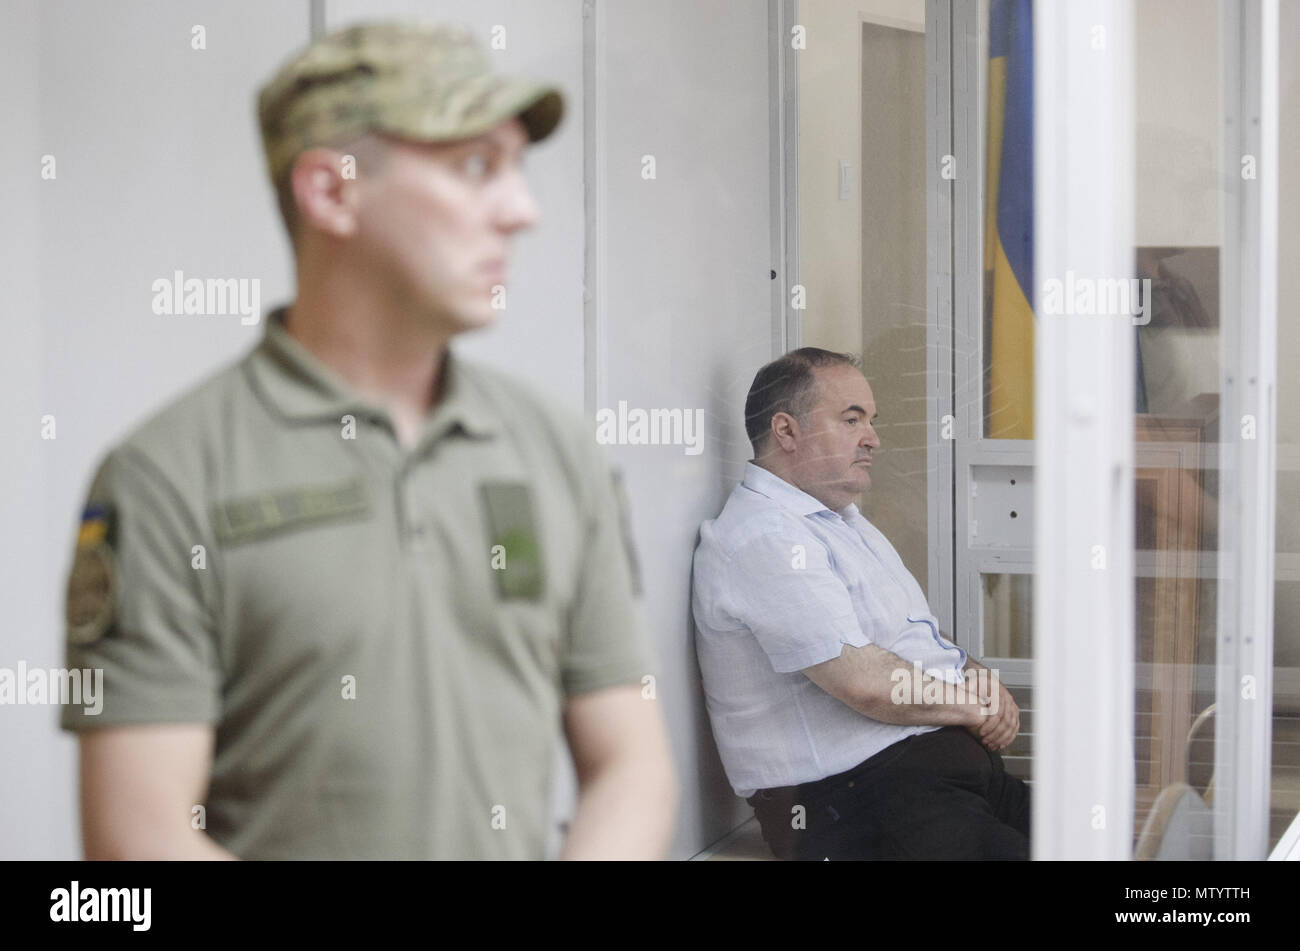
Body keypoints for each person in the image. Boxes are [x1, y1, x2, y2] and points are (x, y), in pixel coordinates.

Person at [59, 20, 676, 860]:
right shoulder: (168, 476)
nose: (522, 211)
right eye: (473, 167)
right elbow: (139, 836)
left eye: (515, 168)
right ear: (332, 191)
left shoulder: (556, 450)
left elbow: (630, 762)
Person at [691, 347, 1029, 860]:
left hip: (929, 783)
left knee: (1105, 844)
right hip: (857, 802)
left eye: (870, 420)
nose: (873, 437)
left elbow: (913, 638)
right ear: (786, 431)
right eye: (852, 420)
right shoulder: (765, 536)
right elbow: (862, 681)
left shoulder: (840, 518)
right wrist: (972, 705)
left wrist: (975, 673)